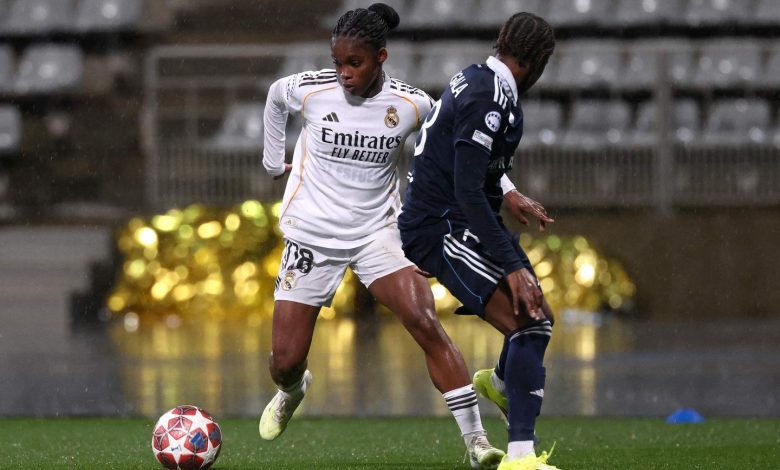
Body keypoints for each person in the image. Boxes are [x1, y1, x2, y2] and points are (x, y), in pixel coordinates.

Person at [259, 4, 507, 468]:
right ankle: (293, 391)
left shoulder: (413, 105)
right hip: (311, 236)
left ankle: (476, 443)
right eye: (338, 63)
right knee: (283, 362)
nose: (344, 73)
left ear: (381, 58)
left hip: (379, 233)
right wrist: (275, 162)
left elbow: (462, 148)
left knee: (424, 320)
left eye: (355, 63)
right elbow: (275, 97)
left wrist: (507, 189)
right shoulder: (311, 91)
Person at [398, 12, 560, 470]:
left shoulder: (483, 80)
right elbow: (468, 189)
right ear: (539, 59)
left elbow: (469, 158)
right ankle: (521, 457)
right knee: (529, 324)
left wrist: (509, 192)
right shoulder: (490, 96)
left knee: (538, 319)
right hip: (442, 225)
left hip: (465, 217)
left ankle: (502, 385)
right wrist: (512, 265)